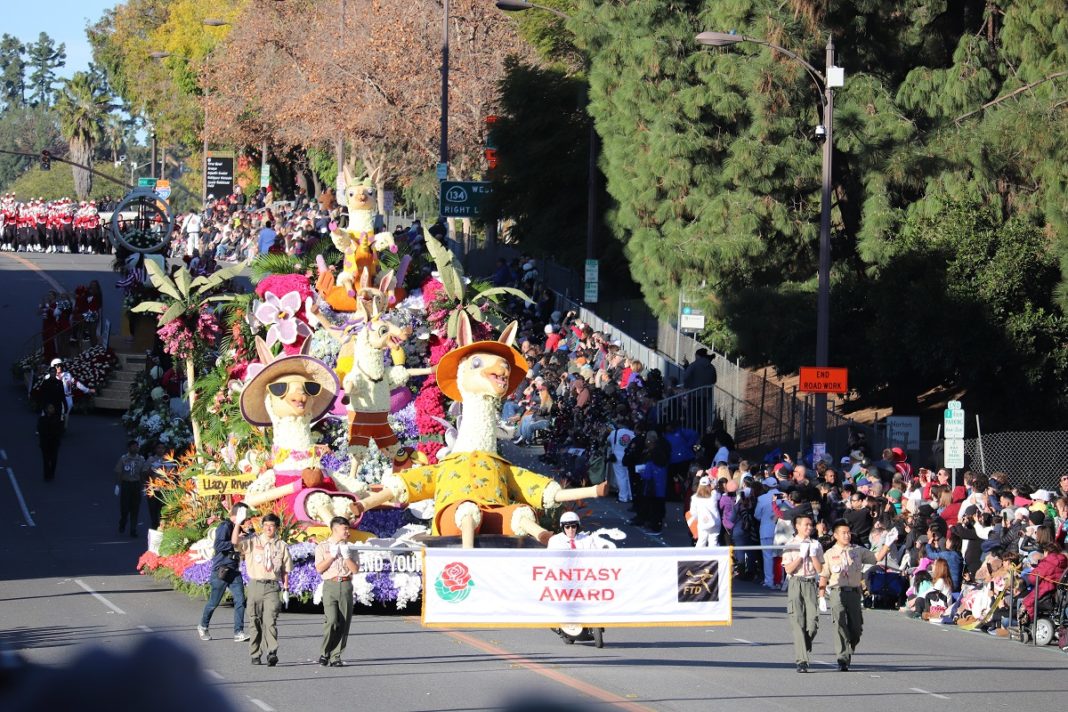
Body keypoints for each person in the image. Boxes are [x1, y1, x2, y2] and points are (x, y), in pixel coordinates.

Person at [820, 519, 898, 671]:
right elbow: (824, 575)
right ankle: (842, 658)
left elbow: (876, 558)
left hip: (854, 593)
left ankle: (849, 647)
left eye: (848, 532)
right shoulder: (829, 554)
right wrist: (821, 595)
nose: (847, 535)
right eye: (843, 533)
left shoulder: (858, 551)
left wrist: (887, 544)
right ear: (835, 535)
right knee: (840, 624)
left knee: (856, 628)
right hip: (837, 592)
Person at [232, 512, 292, 667]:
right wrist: (238, 523)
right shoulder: (253, 541)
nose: (268, 528)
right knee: (255, 621)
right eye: (265, 525)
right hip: (255, 585)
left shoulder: (282, 545)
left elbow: (286, 569)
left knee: (270, 620)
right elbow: (235, 542)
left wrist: (286, 589)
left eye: (271, 526)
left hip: (272, 586)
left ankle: (272, 652)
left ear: (277, 528)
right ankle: (255, 653)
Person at [198, 504, 249, 643]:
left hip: (234, 570)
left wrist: (244, 537)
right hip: (221, 569)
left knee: (240, 600)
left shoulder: (236, 527)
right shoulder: (225, 526)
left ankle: (238, 632)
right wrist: (234, 543)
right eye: (244, 515)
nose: (246, 518)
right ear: (237, 514)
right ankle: (203, 625)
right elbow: (218, 545)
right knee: (214, 602)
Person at [314, 516, 359, 667]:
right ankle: (324, 652)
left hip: (345, 584)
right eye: (344, 528)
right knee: (332, 620)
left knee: (344, 622)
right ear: (335, 529)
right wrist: (331, 557)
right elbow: (319, 569)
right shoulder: (322, 547)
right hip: (330, 585)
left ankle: (336, 656)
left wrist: (347, 557)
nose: (347, 531)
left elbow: (355, 570)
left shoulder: (350, 547)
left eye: (347, 528)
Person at [783, 513, 824, 672]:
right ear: (797, 526)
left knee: (812, 623)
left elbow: (821, 569)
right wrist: (801, 556)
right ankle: (802, 660)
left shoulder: (816, 544)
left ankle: (804, 645)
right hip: (796, 583)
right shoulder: (790, 544)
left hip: (811, 583)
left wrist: (812, 554)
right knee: (798, 621)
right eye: (805, 525)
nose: (809, 527)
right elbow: (789, 569)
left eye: (810, 525)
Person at [114, 440, 147, 537]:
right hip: (126, 484)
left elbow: (143, 473)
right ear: (129, 448)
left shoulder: (141, 459)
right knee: (124, 507)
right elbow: (119, 472)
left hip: (136, 484)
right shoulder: (124, 459)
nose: (135, 448)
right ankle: (123, 521)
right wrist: (118, 485)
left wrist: (144, 485)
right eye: (133, 447)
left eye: (136, 446)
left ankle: (133, 529)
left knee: (135, 507)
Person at [52, 358, 96, 424]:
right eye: (57, 366)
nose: (59, 367)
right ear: (54, 367)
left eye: (60, 365)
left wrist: (88, 390)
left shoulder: (67, 375)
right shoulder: (51, 377)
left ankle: (62, 428)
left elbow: (77, 383)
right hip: (58, 398)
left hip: (68, 398)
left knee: (65, 415)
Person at [606, 420, 635, 504]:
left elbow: (608, 441)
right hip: (627, 456)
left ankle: (623, 497)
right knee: (628, 476)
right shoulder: (631, 433)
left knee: (620, 477)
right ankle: (631, 495)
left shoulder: (614, 433)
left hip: (617, 456)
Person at [689, 475, 721, 547]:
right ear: (709, 485)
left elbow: (693, 513)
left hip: (702, 522)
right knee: (714, 542)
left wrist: (700, 518)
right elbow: (719, 495)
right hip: (715, 522)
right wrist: (714, 487)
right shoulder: (714, 494)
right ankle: (713, 558)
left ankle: (699, 557)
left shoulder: (695, 498)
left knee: (701, 541)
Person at [37, 402, 63, 481]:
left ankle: (51, 472)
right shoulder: (42, 419)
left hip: (54, 442)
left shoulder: (56, 418)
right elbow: (40, 429)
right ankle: (46, 474)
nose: (52, 409)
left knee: (54, 459)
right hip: (45, 442)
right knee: (46, 459)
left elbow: (59, 430)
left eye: (53, 408)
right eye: (50, 408)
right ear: (46, 410)